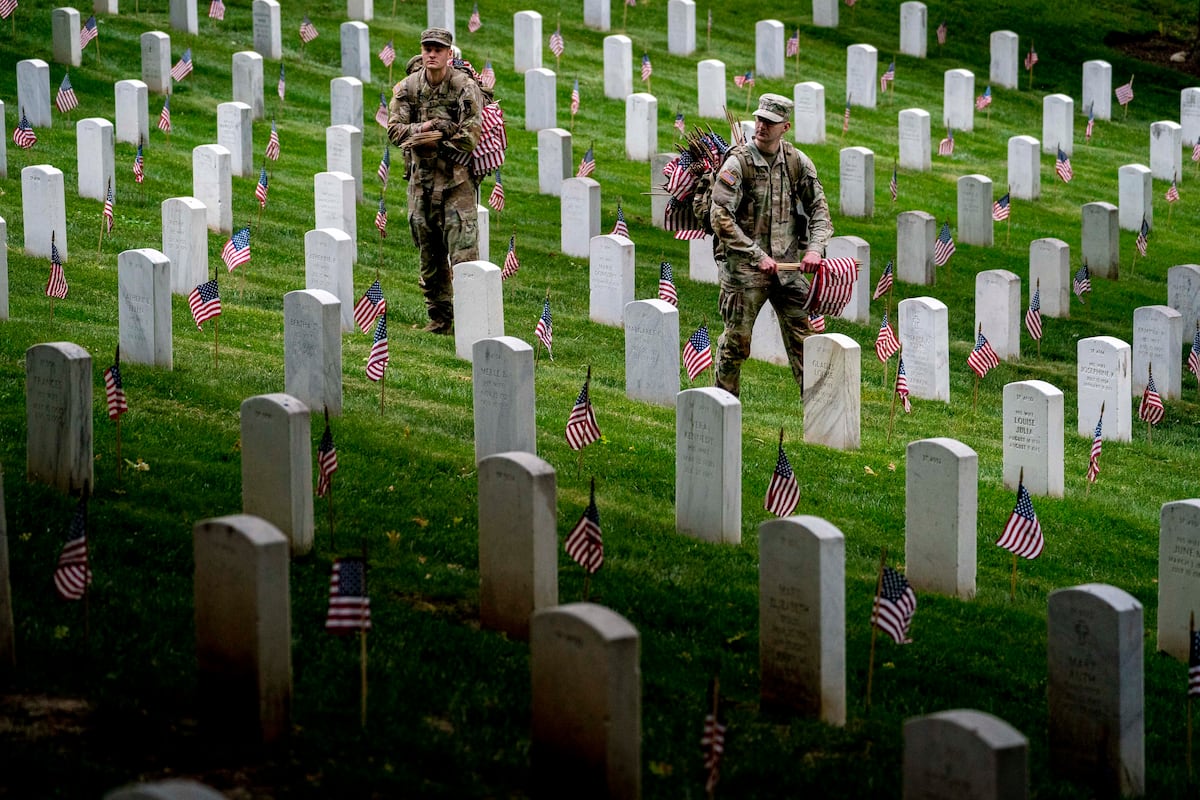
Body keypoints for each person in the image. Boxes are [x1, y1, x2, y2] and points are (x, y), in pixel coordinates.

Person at [710, 92, 833, 396]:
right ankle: (722, 408)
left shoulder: (796, 162)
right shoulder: (739, 163)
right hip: (745, 273)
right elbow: (720, 216)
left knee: (808, 344)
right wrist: (755, 254)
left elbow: (819, 209)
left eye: (770, 122)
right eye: (760, 119)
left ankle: (819, 417)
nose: (762, 126)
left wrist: (815, 249)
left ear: (785, 127)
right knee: (735, 345)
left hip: (787, 271)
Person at [388, 28, 484, 334]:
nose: (432, 53)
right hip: (421, 183)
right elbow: (394, 130)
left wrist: (440, 137)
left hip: (456, 184)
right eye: (427, 48)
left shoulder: (463, 87)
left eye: (438, 49)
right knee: (429, 258)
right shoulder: (407, 88)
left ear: (449, 53)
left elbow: (470, 136)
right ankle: (441, 319)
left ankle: (472, 321)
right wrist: (425, 128)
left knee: (464, 255)